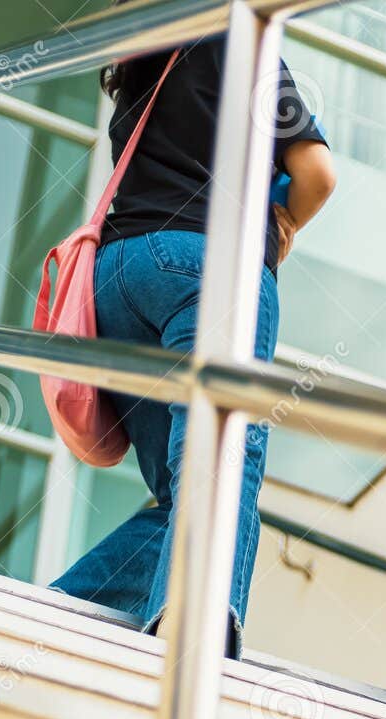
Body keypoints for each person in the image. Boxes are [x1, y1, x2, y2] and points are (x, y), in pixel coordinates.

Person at [52, 23, 336, 655]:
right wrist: (283, 219)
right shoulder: (246, 43)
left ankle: (53, 615)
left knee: (182, 493)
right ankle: (194, 652)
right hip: (210, 272)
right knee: (224, 466)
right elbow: (317, 173)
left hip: (119, 277)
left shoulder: (145, 45)